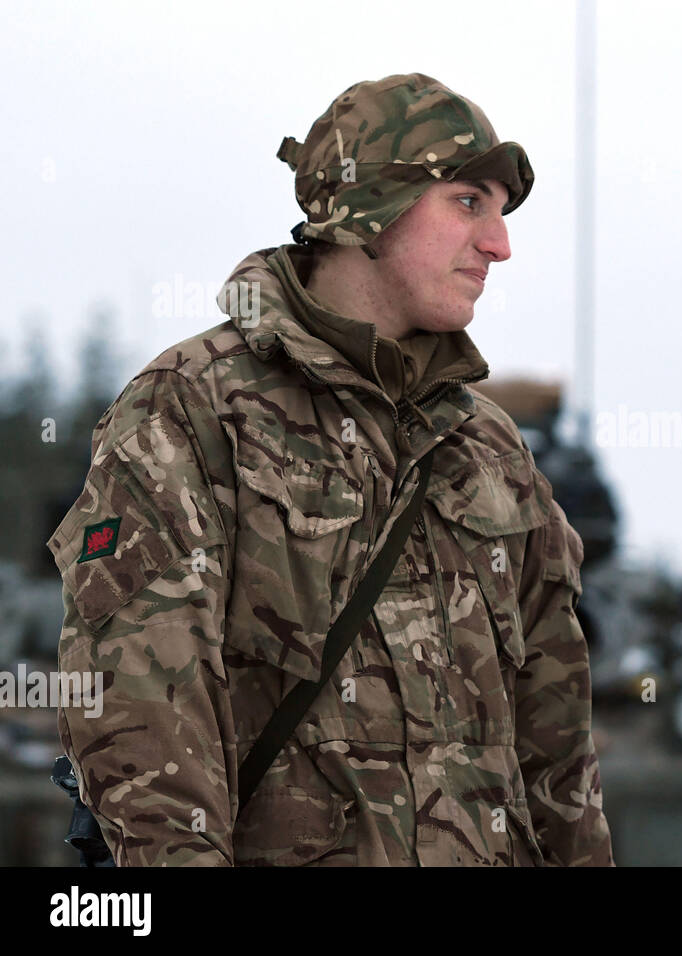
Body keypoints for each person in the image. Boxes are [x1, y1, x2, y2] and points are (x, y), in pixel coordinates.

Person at [49, 73, 614, 866]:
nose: (500, 243)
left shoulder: (490, 447)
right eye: (468, 203)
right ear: (367, 207)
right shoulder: (195, 409)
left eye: (501, 213)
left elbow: (558, 751)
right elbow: (143, 723)